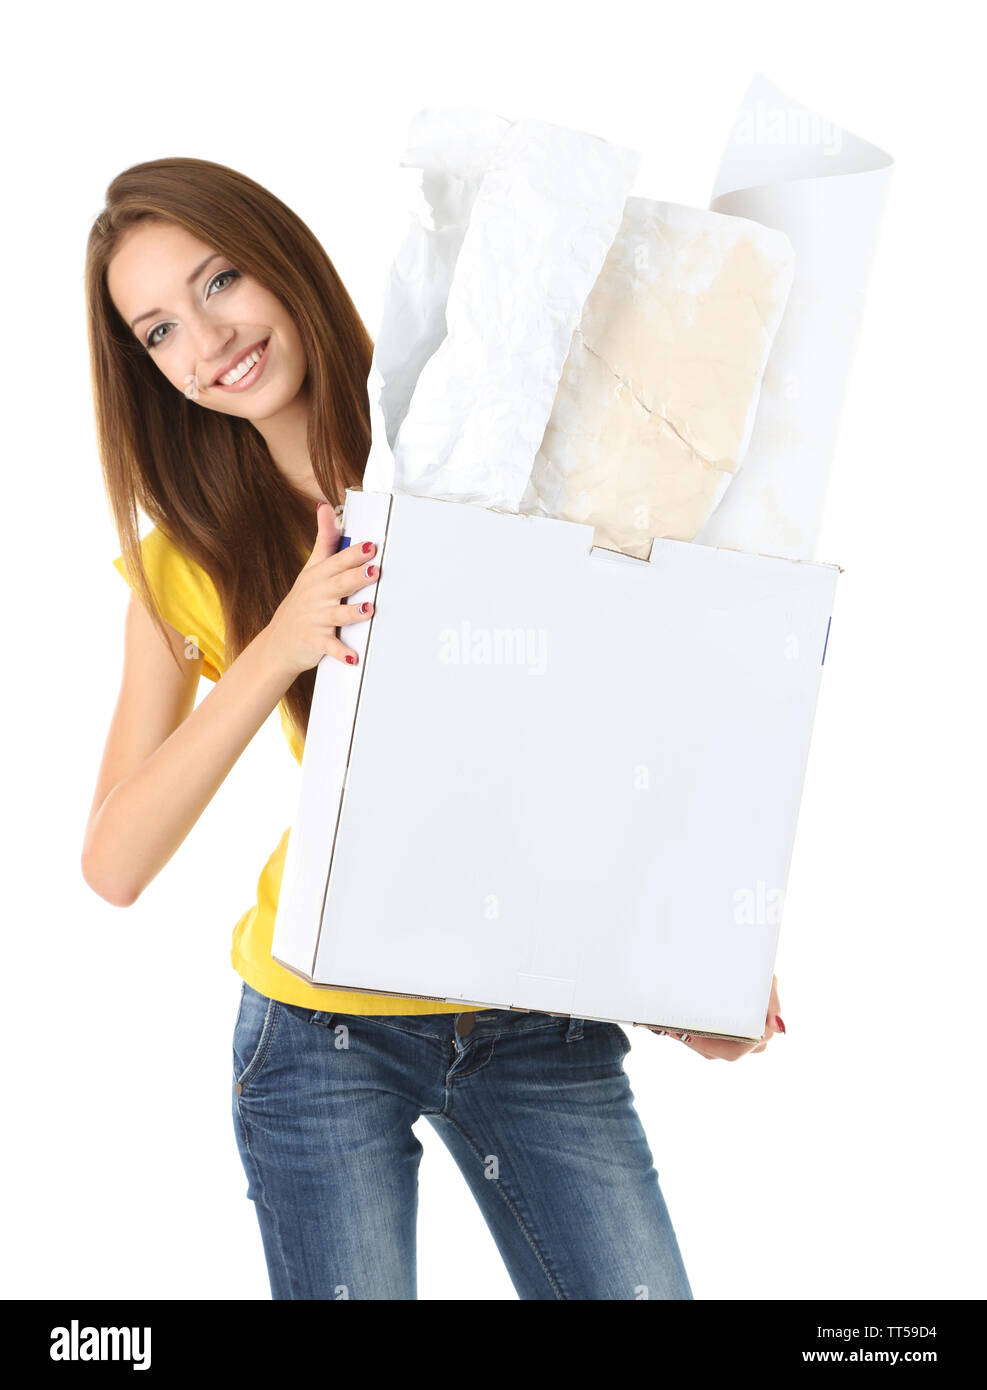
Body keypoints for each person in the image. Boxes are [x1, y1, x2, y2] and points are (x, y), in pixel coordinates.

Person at [81, 156, 784, 1301]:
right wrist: (280, 642)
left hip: (535, 1015)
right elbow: (112, 861)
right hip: (316, 1029)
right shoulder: (185, 566)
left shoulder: (479, 441)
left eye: (219, 283)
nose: (206, 345)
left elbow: (609, 727)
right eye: (159, 330)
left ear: (283, 258)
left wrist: (688, 963)